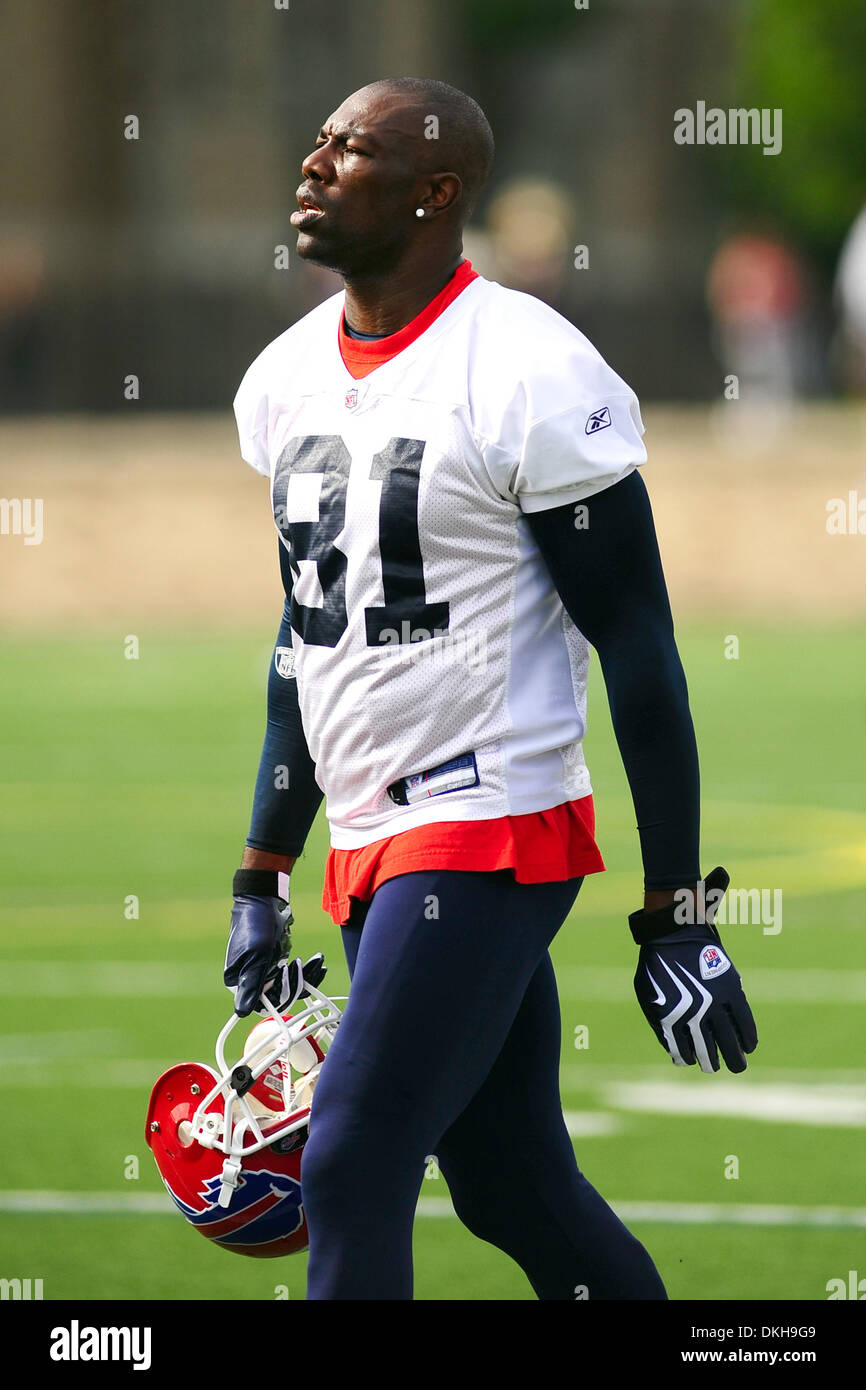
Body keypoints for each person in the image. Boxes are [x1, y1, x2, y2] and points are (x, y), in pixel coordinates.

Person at [224, 77, 757, 1301]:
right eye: (314, 142)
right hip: (370, 833)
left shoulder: (523, 366)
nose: (311, 166)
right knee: (509, 1183)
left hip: (488, 823)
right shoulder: (284, 378)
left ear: (435, 190)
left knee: (350, 1165)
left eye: (347, 151)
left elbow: (636, 640)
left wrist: (674, 907)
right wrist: (262, 868)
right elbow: (304, 636)